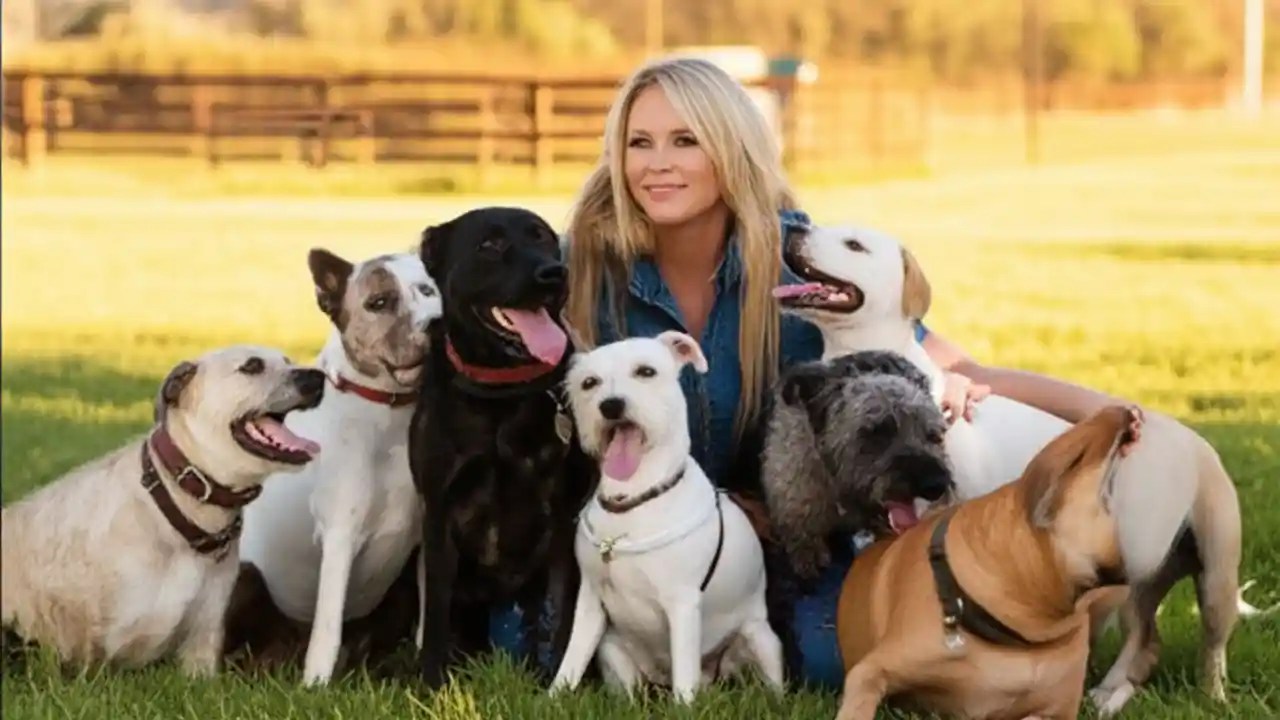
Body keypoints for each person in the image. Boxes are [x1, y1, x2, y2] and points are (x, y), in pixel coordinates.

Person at [517, 55, 1125, 689]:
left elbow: (945, 358)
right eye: (639, 143)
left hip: (780, 532)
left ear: (731, 149)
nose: (657, 163)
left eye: (685, 140)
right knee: (526, 652)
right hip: (628, 533)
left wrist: (1103, 411)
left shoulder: (798, 264)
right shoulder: (583, 266)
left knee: (836, 660)